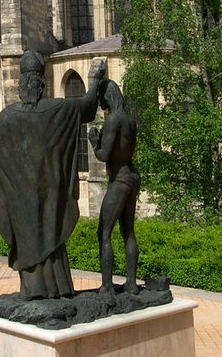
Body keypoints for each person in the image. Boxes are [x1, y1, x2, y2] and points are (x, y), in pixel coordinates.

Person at [0, 51, 105, 300]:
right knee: (51, 237)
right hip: (51, 194)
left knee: (29, 239)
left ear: (22, 85)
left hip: (22, 199)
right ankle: (59, 288)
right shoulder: (59, 108)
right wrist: (96, 79)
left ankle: (34, 290)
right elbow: (87, 106)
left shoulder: (9, 117)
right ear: (42, 85)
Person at [88, 79, 140, 300]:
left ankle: (107, 286)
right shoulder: (130, 119)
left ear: (107, 96)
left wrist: (93, 141)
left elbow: (104, 155)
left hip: (119, 179)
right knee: (128, 231)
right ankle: (131, 283)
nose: (101, 103)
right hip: (132, 176)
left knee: (104, 233)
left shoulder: (113, 120)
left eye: (101, 99)